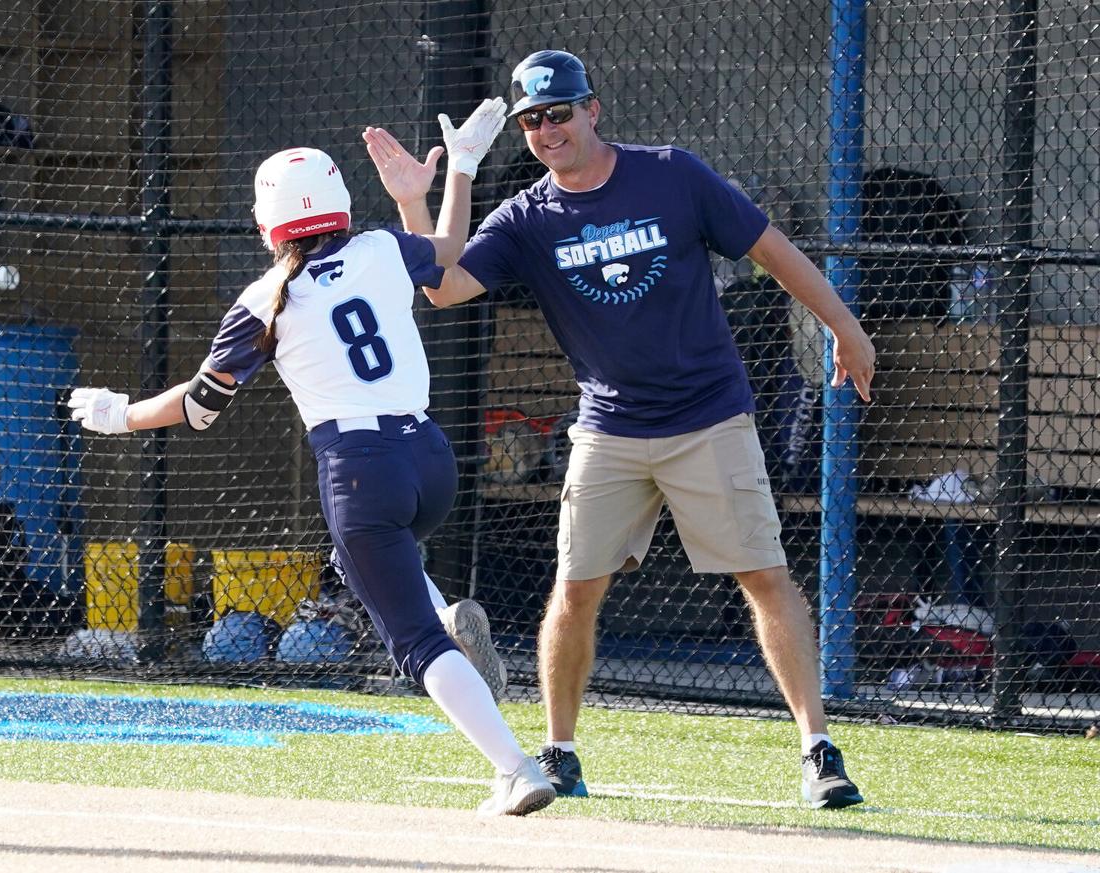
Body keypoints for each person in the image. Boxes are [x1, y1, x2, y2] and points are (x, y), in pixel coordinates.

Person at [372, 50, 876, 809]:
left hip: (709, 414)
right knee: (574, 590)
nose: (548, 130)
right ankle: (561, 753)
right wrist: (426, 194)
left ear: (593, 109)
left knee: (765, 577)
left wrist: (842, 323)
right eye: (533, 120)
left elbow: (770, 249)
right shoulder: (527, 216)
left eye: (560, 113)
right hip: (608, 427)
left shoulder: (672, 173)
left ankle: (818, 750)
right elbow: (442, 286)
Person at [67, 97, 555, 817]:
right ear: (338, 205)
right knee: (401, 575)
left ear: (269, 221)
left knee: (412, 643)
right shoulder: (383, 246)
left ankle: (514, 765)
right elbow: (447, 254)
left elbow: (201, 406)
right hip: (431, 458)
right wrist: (459, 175)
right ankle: (447, 612)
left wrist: (120, 416)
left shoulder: (266, 297)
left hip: (360, 468)